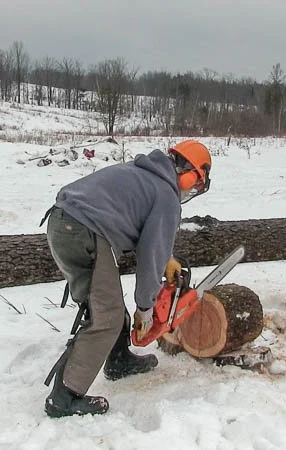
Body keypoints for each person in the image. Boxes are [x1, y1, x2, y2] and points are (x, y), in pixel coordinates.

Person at [39, 139, 212, 418]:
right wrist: (145, 309)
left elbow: (142, 232)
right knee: (105, 315)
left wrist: (165, 257)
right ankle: (65, 396)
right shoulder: (166, 194)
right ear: (191, 174)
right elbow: (149, 261)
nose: (191, 190)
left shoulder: (144, 172)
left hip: (63, 223)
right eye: (194, 184)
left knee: (105, 304)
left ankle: (118, 360)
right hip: (84, 230)